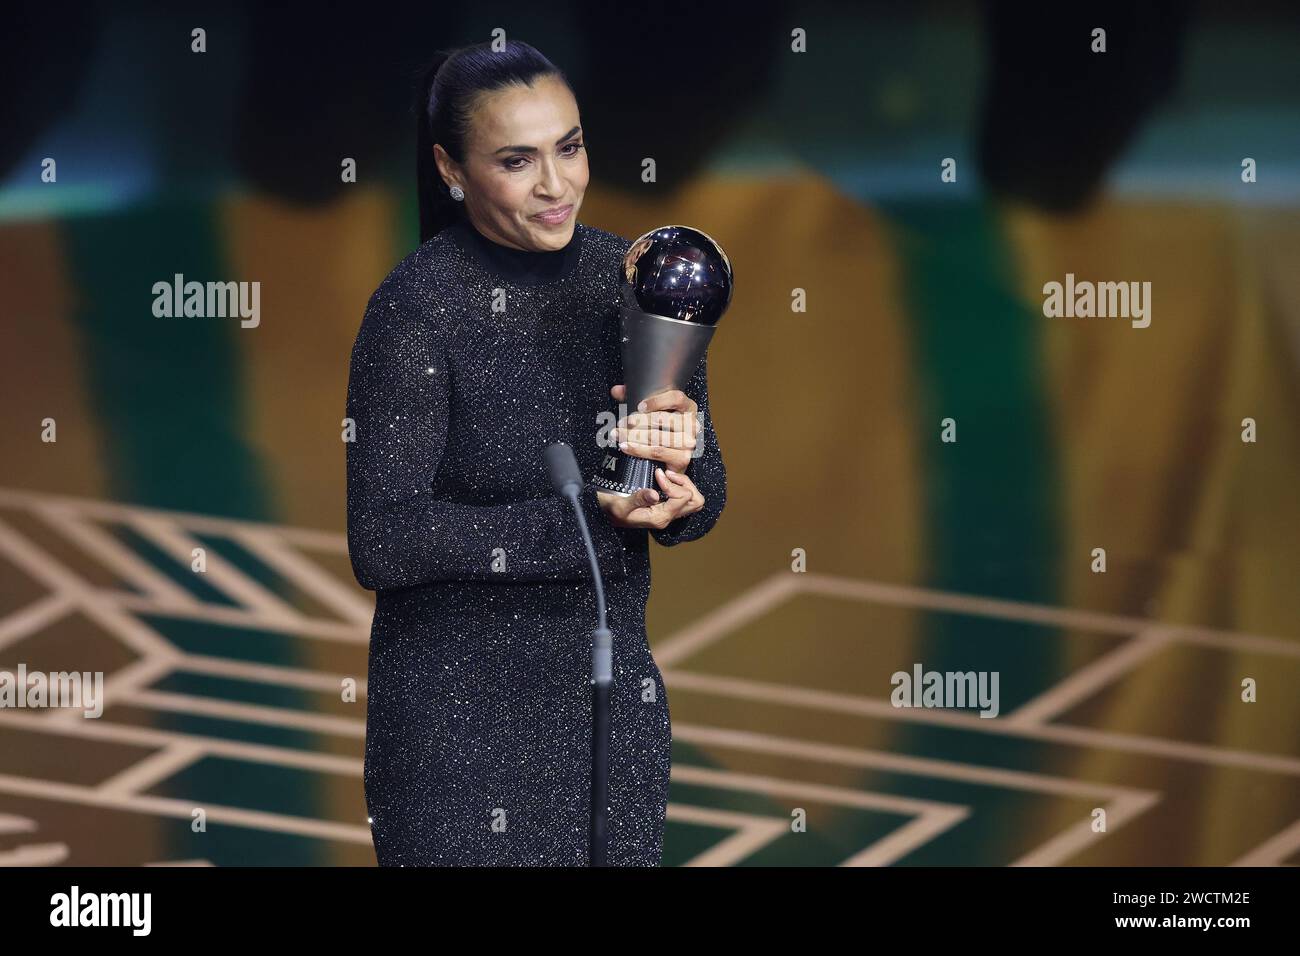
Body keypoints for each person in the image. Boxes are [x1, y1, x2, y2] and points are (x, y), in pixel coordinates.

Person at [344, 39, 727, 866]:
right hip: (455, 733)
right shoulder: (417, 310)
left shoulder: (636, 278)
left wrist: (684, 494)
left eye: (570, 146)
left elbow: (698, 487)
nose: (556, 185)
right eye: (518, 160)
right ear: (450, 168)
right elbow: (382, 539)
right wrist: (588, 521)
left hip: (607, 719)